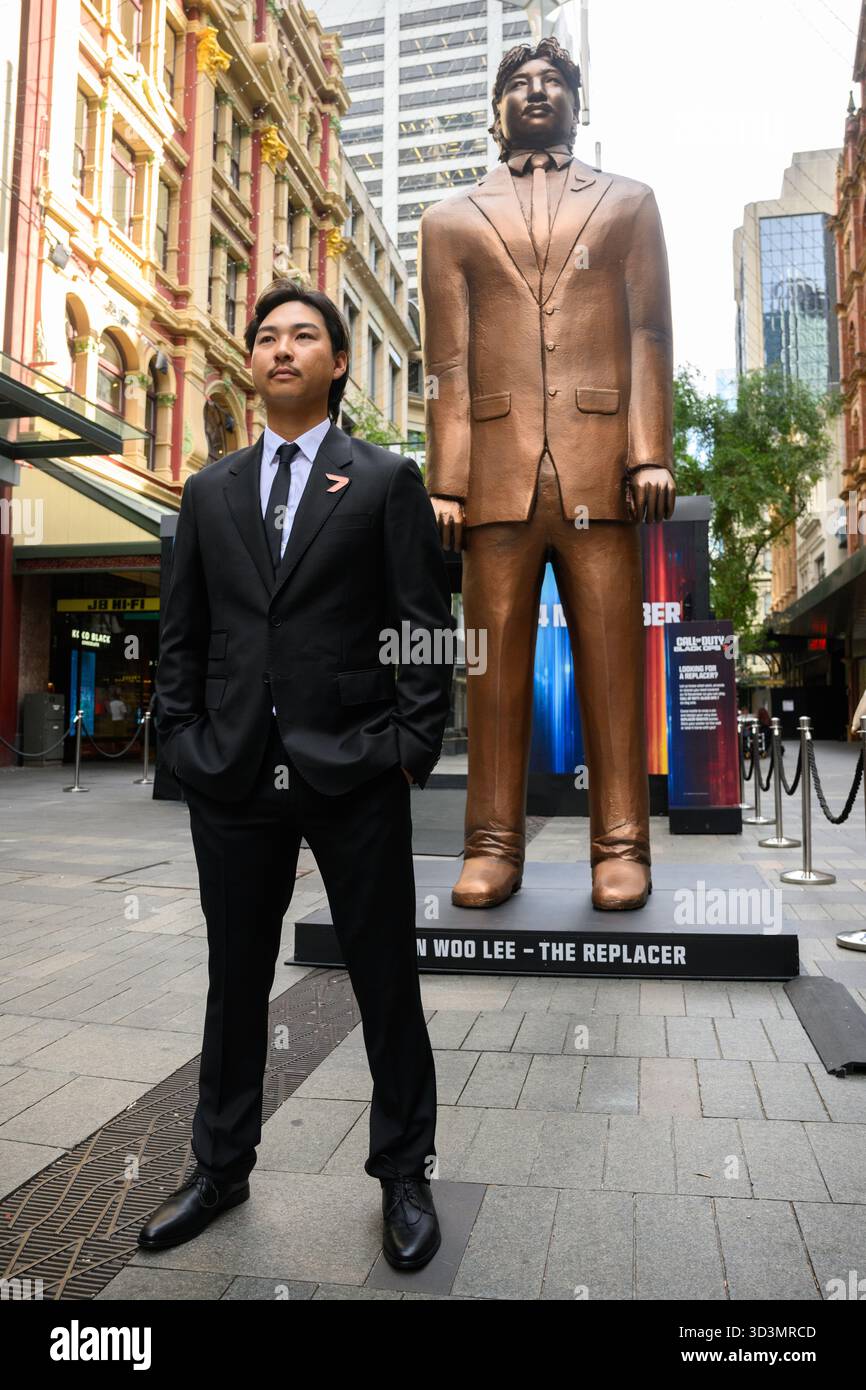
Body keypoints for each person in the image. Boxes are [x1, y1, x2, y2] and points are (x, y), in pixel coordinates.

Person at [139, 280, 455, 1272]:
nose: (282, 348)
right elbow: (184, 632)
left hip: (354, 768)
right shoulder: (210, 490)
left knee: (383, 976)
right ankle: (218, 1166)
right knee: (234, 979)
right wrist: (181, 741)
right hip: (231, 774)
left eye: (304, 335)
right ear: (251, 361)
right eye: (267, 336)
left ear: (336, 363)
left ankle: (403, 1170)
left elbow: (423, 625)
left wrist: (408, 748)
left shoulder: (384, 480)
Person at [418, 36, 674, 911]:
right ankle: (492, 845)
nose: (536, 91)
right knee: (493, 672)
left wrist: (650, 451)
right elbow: (446, 365)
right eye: (519, 83)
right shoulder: (449, 221)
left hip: (603, 470)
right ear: (496, 111)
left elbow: (648, 334)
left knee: (612, 665)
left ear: (576, 102)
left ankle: (622, 845)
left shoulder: (629, 203)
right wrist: (446, 480)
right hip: (495, 476)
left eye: (552, 80)